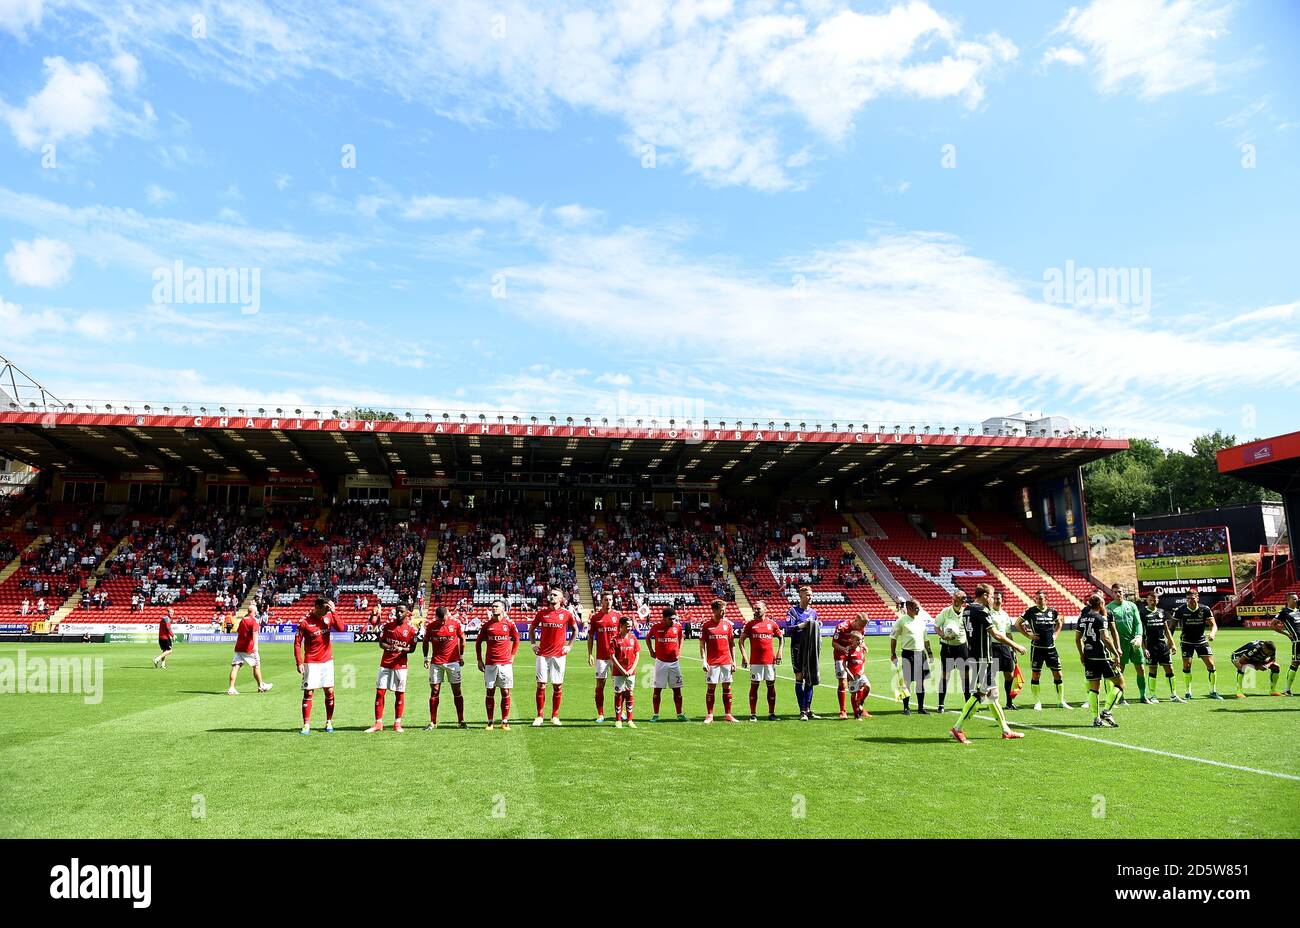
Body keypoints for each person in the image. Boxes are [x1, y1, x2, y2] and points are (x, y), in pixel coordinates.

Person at [948, 583, 1025, 743]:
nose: (992, 599)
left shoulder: (967, 609)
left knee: (993, 695)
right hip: (982, 658)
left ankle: (1006, 730)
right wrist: (1016, 646)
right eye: (990, 596)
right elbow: (996, 634)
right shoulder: (980, 610)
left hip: (977, 656)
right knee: (981, 694)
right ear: (984, 596)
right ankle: (957, 728)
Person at [294, 597, 348, 735]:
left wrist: (334, 611)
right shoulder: (305, 622)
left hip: (327, 661)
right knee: (309, 692)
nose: (327, 611)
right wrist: (299, 662)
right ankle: (306, 725)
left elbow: (342, 629)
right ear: (317, 607)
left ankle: (329, 722)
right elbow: (297, 643)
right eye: (325, 608)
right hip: (311, 662)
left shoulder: (329, 616)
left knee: (329, 691)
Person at [529, 588, 579, 727]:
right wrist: (533, 644)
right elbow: (531, 629)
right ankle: (539, 715)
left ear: (562, 599)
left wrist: (569, 646)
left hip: (559, 655)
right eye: (550, 594)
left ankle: (555, 716)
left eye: (555, 595)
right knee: (541, 685)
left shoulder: (567, 614)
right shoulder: (542, 613)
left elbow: (576, 630)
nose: (551, 596)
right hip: (543, 655)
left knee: (557, 686)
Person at [365, 605, 417, 733]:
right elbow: (381, 643)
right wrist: (389, 647)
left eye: (401, 611)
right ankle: (378, 723)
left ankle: (397, 723)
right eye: (397, 611)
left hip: (401, 666)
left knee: (399, 693)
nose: (399, 613)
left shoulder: (411, 630)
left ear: (407, 613)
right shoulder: (387, 627)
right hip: (385, 664)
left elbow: (412, 649)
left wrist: (401, 649)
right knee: (380, 693)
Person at [1077, 592, 1125, 728]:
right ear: (1101, 604)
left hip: (1089, 656)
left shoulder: (1083, 618)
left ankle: (1095, 718)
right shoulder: (1101, 618)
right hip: (1103, 657)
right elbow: (1105, 637)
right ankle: (1107, 711)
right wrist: (1116, 653)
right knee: (1120, 683)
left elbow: (1077, 639)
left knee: (1094, 688)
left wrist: (1081, 653)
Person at [1017, 590, 1070, 710]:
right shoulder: (1030, 611)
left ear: (1046, 599)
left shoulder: (1053, 611)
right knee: (1036, 674)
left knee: (1058, 674)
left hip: (1051, 648)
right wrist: (1029, 636)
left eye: (1041, 598)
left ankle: (1061, 701)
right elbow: (1017, 623)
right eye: (1036, 598)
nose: (1038, 600)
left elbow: (1059, 623)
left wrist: (1056, 634)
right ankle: (1037, 702)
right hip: (1037, 649)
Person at [1171, 589, 1222, 699]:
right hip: (1186, 641)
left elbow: (1214, 625)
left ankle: (1213, 691)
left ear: (1197, 598)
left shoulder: (1205, 609)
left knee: (1211, 665)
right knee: (1187, 665)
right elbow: (1172, 627)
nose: (1190, 600)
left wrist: (1212, 634)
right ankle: (1188, 692)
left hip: (1201, 641)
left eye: (1192, 598)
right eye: (1188, 598)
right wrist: (1170, 642)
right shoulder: (1180, 610)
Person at [422, 605, 467, 729]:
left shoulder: (455, 624)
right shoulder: (431, 626)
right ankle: (432, 722)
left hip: (453, 662)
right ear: (436, 617)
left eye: (444, 619)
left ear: (447, 614)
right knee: (435, 691)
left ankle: (461, 721)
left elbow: (463, 638)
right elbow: (425, 641)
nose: (443, 622)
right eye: (440, 619)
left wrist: (461, 656)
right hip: (436, 663)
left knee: (457, 691)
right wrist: (426, 658)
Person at [477, 600, 520, 731]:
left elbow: (516, 639)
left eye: (496, 606)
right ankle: (490, 721)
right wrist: (479, 659)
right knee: (490, 691)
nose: (494, 609)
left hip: (505, 663)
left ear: (502, 608)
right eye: (493, 607)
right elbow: (478, 642)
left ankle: (504, 721)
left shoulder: (509, 624)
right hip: (490, 663)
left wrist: (512, 655)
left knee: (505, 691)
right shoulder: (487, 625)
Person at [738, 599, 783, 721]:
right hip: (755, 661)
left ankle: (771, 713)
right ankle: (753, 714)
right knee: (754, 687)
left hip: (770, 661)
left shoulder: (772, 624)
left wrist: (780, 651)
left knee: (771, 686)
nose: (756, 610)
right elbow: (741, 640)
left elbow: (781, 637)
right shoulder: (750, 624)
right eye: (755, 608)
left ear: (765, 609)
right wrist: (744, 656)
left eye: (758, 608)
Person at [889, 599, 932, 715]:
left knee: (920, 682)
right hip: (908, 654)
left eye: (919, 607)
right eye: (916, 608)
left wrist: (930, 653)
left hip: (921, 653)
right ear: (908, 608)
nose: (918, 610)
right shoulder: (901, 621)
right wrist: (893, 653)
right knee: (907, 682)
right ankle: (906, 708)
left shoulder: (921, 620)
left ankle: (920, 708)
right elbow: (893, 638)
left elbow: (926, 639)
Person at [646, 606, 688, 722]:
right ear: (663, 618)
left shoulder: (677, 627)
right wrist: (651, 651)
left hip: (674, 663)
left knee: (677, 689)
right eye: (670, 619)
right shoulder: (656, 627)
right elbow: (648, 638)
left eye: (674, 619)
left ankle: (679, 714)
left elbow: (681, 637)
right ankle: (655, 714)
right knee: (657, 689)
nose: (673, 621)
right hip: (660, 662)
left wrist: (679, 650)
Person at [699, 599, 738, 724]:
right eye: (722, 610)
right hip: (713, 662)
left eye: (725, 610)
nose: (724, 612)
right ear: (714, 610)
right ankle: (710, 714)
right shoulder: (706, 625)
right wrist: (704, 661)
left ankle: (728, 714)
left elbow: (732, 644)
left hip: (726, 661)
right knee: (711, 688)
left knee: (727, 687)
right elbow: (702, 645)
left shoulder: (728, 625)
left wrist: (734, 661)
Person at [1106, 584, 1146, 705]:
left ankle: (1143, 696)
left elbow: (1138, 623)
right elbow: (1107, 628)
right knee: (1119, 671)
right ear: (1112, 594)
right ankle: (1120, 697)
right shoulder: (1109, 608)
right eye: (1115, 592)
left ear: (1124, 593)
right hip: (1120, 644)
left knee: (1141, 669)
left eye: (1120, 591)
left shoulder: (1132, 605)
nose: (1118, 594)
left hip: (1134, 643)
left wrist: (1139, 636)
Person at [1138, 592, 1181, 702]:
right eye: (1151, 599)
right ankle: (1153, 695)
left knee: (1169, 668)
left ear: (1158, 600)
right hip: (1150, 646)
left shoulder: (1161, 612)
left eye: (1155, 599)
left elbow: (1166, 630)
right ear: (1147, 600)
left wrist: (1172, 643)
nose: (1153, 601)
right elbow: (1141, 632)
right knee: (1153, 669)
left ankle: (1173, 694)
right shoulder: (1142, 613)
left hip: (1162, 645)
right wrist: (1144, 648)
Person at [786, 585, 821, 720]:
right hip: (797, 648)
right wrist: (802, 625)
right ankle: (802, 711)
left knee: (810, 678)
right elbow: (788, 630)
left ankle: (807, 709)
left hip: (810, 649)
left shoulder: (814, 612)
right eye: (807, 595)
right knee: (799, 677)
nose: (810, 597)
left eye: (811, 594)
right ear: (800, 596)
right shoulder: (793, 611)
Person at [933, 590, 970, 713]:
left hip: (961, 647)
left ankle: (968, 704)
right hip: (947, 647)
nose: (954, 599)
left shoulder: (966, 613)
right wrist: (943, 636)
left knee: (965, 676)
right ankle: (941, 705)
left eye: (957, 598)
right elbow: (936, 626)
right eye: (954, 597)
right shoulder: (946, 611)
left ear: (962, 601)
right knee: (945, 676)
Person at [586, 591, 620, 724]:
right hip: (601, 657)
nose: (609, 602)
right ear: (601, 601)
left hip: (616, 657)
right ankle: (600, 714)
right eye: (606, 599)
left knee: (619, 685)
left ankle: (620, 711)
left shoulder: (618, 616)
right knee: (600, 684)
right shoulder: (595, 618)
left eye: (611, 600)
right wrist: (589, 654)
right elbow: (590, 637)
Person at [228, 602, 272, 695]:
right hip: (249, 648)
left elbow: (238, 631)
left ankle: (231, 688)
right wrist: (256, 645)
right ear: (255, 611)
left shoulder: (243, 620)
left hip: (239, 647)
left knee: (236, 667)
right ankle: (261, 686)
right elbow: (255, 633)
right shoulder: (254, 620)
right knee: (256, 666)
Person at [831, 613, 869, 719]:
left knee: (860, 683)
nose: (862, 628)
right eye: (861, 625)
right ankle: (842, 711)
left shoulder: (861, 628)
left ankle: (859, 708)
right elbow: (834, 644)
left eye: (864, 626)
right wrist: (845, 650)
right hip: (841, 656)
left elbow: (861, 641)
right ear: (856, 620)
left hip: (854, 658)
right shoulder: (842, 627)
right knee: (843, 683)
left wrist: (864, 646)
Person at [989, 591, 1020, 711]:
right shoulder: (989, 614)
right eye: (995, 598)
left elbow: (1008, 633)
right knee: (992, 676)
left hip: (1005, 647)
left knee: (1009, 675)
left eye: (999, 598)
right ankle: (991, 703)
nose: (997, 600)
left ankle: (1009, 702)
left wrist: (1013, 650)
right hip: (993, 646)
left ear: (1002, 600)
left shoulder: (1005, 615)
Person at [609, 614, 641, 729]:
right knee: (618, 694)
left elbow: (637, 654)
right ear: (621, 626)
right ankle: (618, 720)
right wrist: (622, 670)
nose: (629, 628)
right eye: (627, 626)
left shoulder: (633, 638)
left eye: (631, 626)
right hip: (619, 673)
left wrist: (632, 669)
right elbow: (612, 657)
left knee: (630, 694)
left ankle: (630, 720)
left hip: (631, 672)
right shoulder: (614, 639)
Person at [1269, 593, 1299, 696]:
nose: (1297, 600)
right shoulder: (1284, 612)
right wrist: (1286, 634)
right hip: (1297, 641)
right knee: (1295, 663)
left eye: (1297, 599)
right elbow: (1272, 624)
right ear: (1288, 600)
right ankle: (1287, 689)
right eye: (1294, 599)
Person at [845, 632, 872, 719]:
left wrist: (862, 670)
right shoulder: (848, 650)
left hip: (861, 674)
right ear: (852, 640)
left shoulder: (861, 649)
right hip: (852, 676)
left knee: (868, 687)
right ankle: (856, 714)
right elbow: (844, 664)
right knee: (854, 694)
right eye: (858, 640)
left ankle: (860, 701)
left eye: (861, 640)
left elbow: (863, 661)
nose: (860, 641)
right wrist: (849, 674)